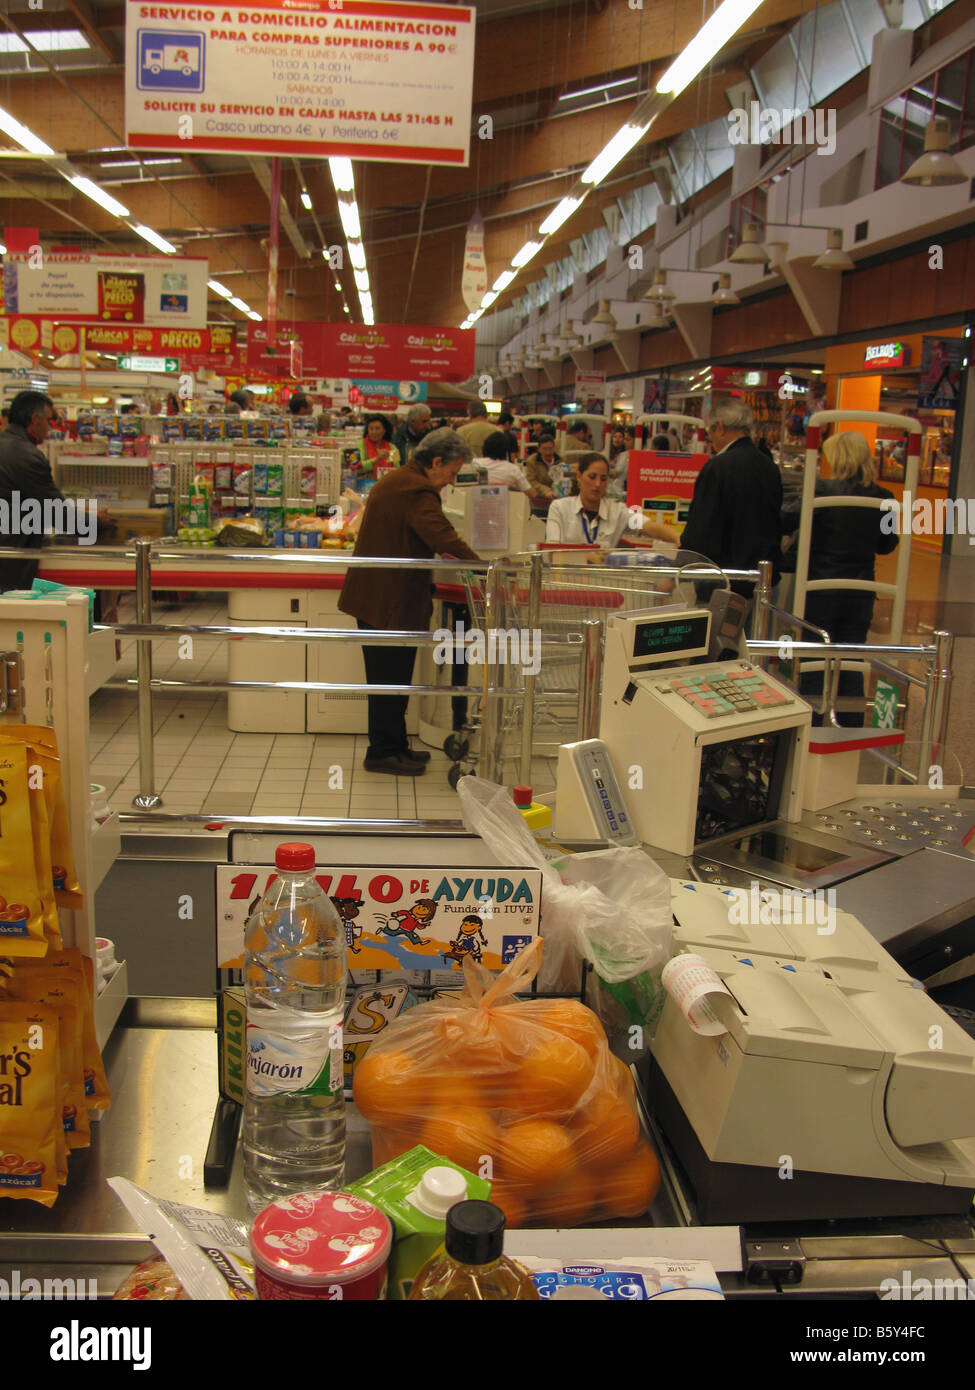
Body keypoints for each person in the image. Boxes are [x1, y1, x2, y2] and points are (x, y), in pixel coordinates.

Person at [338, 428, 481, 776]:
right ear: (435, 462)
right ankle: (382, 752)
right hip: (388, 603)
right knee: (389, 681)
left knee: (393, 679)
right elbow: (442, 536)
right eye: (450, 472)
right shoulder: (416, 489)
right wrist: (484, 568)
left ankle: (395, 745)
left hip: (383, 600)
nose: (450, 481)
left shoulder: (403, 480)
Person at [781, 430, 898, 727]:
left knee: (814, 663)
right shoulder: (884, 497)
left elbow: (786, 519)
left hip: (819, 589)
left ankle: (813, 730)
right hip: (860, 591)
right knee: (852, 663)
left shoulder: (821, 490)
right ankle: (850, 731)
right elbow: (886, 545)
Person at [680, 400, 783, 597]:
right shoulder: (769, 466)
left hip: (724, 580)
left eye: (710, 430)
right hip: (763, 579)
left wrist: (681, 565)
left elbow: (701, 527)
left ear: (720, 428)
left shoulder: (718, 467)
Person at [0, 391, 64, 591]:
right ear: (35, 419)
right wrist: (97, 524)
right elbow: (57, 513)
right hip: (13, 555)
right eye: (48, 420)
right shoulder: (26, 455)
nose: (49, 428)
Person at [546, 453, 679, 549]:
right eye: (592, 477)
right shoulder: (559, 508)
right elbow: (551, 550)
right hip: (566, 582)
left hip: (604, 583)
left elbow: (648, 526)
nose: (598, 484)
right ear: (579, 477)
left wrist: (678, 538)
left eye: (603, 479)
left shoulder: (618, 511)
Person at [476, 431, 539, 497]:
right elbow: (532, 493)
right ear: (506, 450)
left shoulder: (475, 463)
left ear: (485, 447)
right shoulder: (513, 469)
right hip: (506, 505)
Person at [355, 413, 401, 477]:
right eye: (371, 429)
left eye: (377, 428)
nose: (374, 432)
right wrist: (376, 459)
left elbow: (397, 470)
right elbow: (356, 468)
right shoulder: (360, 444)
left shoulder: (392, 447)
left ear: (384, 430)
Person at [525, 431, 559, 498]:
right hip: (538, 498)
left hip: (557, 498)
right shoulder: (531, 461)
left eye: (550, 448)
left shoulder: (560, 461)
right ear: (539, 449)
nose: (548, 452)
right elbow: (531, 481)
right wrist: (546, 491)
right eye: (544, 449)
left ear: (554, 447)